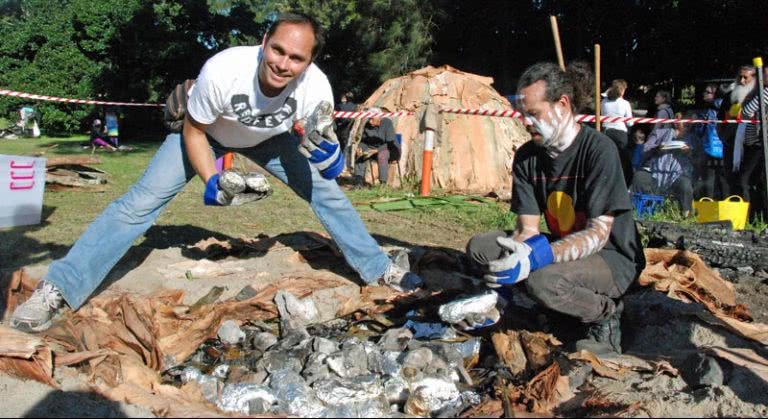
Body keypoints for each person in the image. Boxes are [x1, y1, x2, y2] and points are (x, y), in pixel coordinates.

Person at [11, 12, 423, 333]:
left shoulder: (316, 89)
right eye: (278, 50)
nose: (283, 63)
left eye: (296, 58)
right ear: (264, 43)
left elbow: (322, 148)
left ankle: (378, 267)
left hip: (271, 142)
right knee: (138, 203)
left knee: (327, 195)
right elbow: (193, 131)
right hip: (207, 136)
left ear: (309, 62)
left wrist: (330, 159)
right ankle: (58, 290)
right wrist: (213, 181)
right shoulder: (224, 70)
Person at [464, 62, 645, 355]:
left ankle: (604, 314)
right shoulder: (527, 157)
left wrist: (537, 258)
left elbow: (599, 234)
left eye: (533, 114)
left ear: (562, 105)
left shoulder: (599, 150)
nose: (526, 122)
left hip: (612, 257)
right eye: (523, 114)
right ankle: (534, 305)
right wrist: (508, 275)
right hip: (564, 247)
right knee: (482, 248)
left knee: (543, 279)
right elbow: (528, 229)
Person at [631, 90, 694, 215]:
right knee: (639, 177)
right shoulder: (660, 133)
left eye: (688, 122)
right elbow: (645, 149)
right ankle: (637, 212)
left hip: (678, 175)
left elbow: (699, 161)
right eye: (682, 120)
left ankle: (685, 217)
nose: (685, 124)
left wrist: (689, 153)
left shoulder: (693, 139)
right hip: (655, 172)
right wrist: (656, 149)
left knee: (685, 185)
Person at [719, 65, 756, 194]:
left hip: (752, 146)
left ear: (754, 78)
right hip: (730, 144)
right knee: (730, 179)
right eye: (739, 77)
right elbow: (720, 120)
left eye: (745, 77)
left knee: (746, 180)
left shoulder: (758, 97)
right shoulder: (729, 96)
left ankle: (751, 212)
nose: (741, 81)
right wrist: (723, 138)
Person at [737, 67, 768, 216]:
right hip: (753, 144)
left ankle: (749, 217)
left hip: (760, 145)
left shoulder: (765, 93)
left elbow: (747, 111)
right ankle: (757, 216)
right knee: (756, 181)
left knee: (746, 180)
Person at [693, 84, 726, 199]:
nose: (704, 94)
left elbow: (700, 130)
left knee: (709, 179)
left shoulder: (708, 111)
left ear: (714, 94)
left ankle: (708, 203)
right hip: (724, 147)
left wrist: (698, 122)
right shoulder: (725, 107)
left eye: (707, 92)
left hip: (710, 148)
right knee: (723, 180)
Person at [353, 109, 400, 187]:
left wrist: (377, 150)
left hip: (389, 149)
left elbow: (390, 143)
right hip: (372, 150)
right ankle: (359, 182)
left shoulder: (387, 123)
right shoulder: (368, 125)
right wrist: (360, 147)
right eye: (369, 119)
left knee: (382, 154)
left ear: (378, 117)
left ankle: (383, 184)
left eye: (371, 119)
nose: (370, 121)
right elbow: (364, 141)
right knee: (360, 154)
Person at [601, 79, 634, 184]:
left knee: (607, 159)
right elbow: (630, 123)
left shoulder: (604, 102)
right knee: (623, 160)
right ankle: (626, 183)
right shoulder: (625, 103)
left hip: (606, 131)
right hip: (620, 133)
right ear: (622, 90)